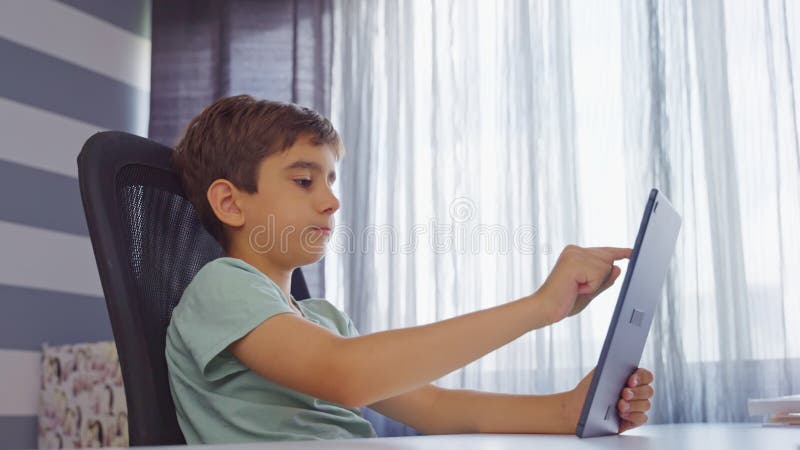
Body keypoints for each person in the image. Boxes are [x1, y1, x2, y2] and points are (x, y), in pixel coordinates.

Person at [165, 95, 654, 444]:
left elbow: (435, 407)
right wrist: (538, 308)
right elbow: (346, 375)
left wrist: (567, 409)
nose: (331, 201)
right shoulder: (221, 285)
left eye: (331, 181)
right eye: (303, 180)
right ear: (230, 202)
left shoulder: (324, 321)